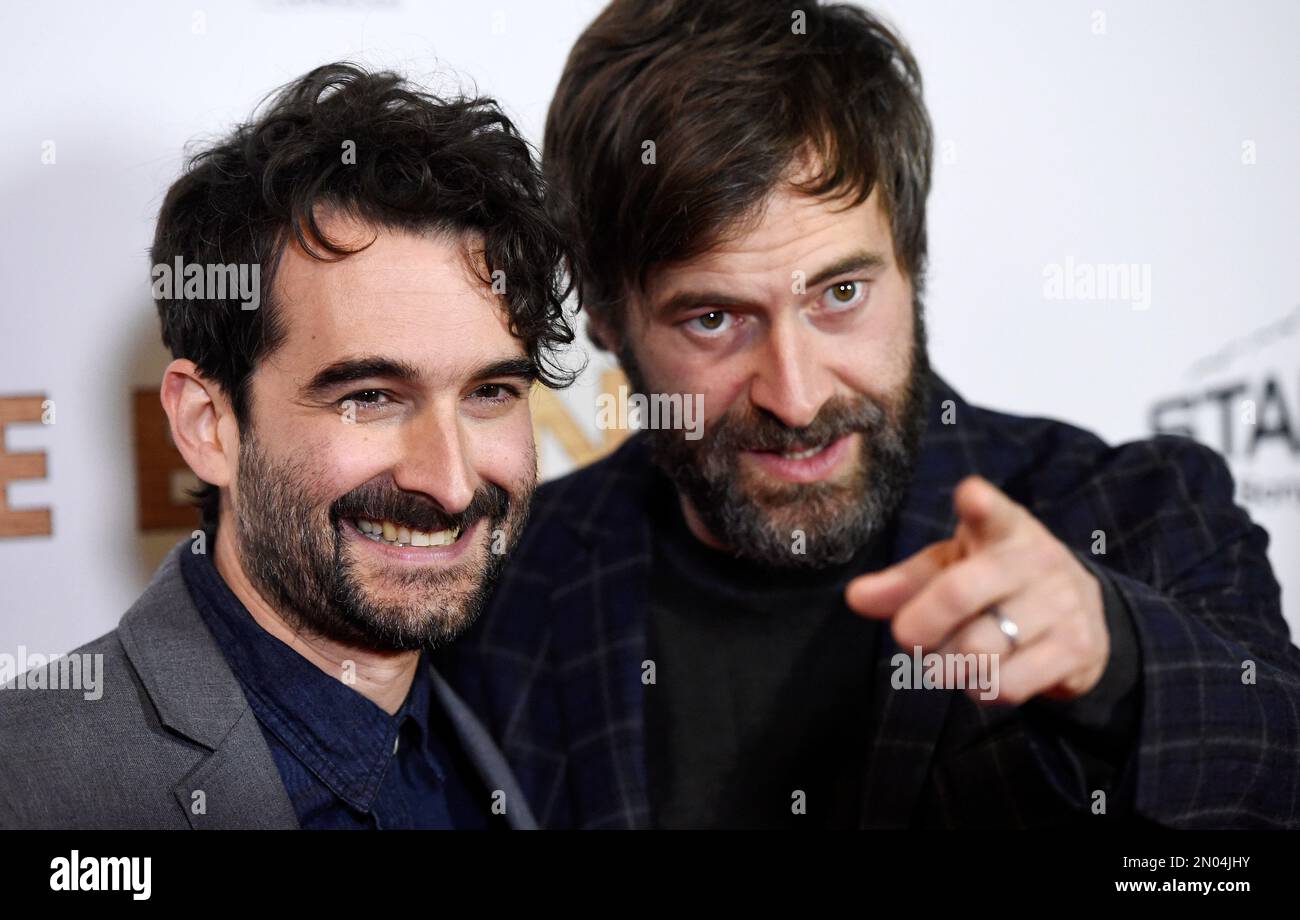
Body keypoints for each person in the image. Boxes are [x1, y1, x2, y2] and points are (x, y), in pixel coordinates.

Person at [435, 0, 1300, 828]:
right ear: (606, 318)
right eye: (715, 318)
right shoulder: (502, 587)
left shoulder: (1135, 516)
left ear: (912, 263)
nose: (797, 396)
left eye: (841, 294)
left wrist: (1117, 664)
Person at [0, 62, 575, 829]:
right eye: (369, 397)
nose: (451, 483)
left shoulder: (520, 740)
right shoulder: (30, 787)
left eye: (489, 392)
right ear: (208, 425)